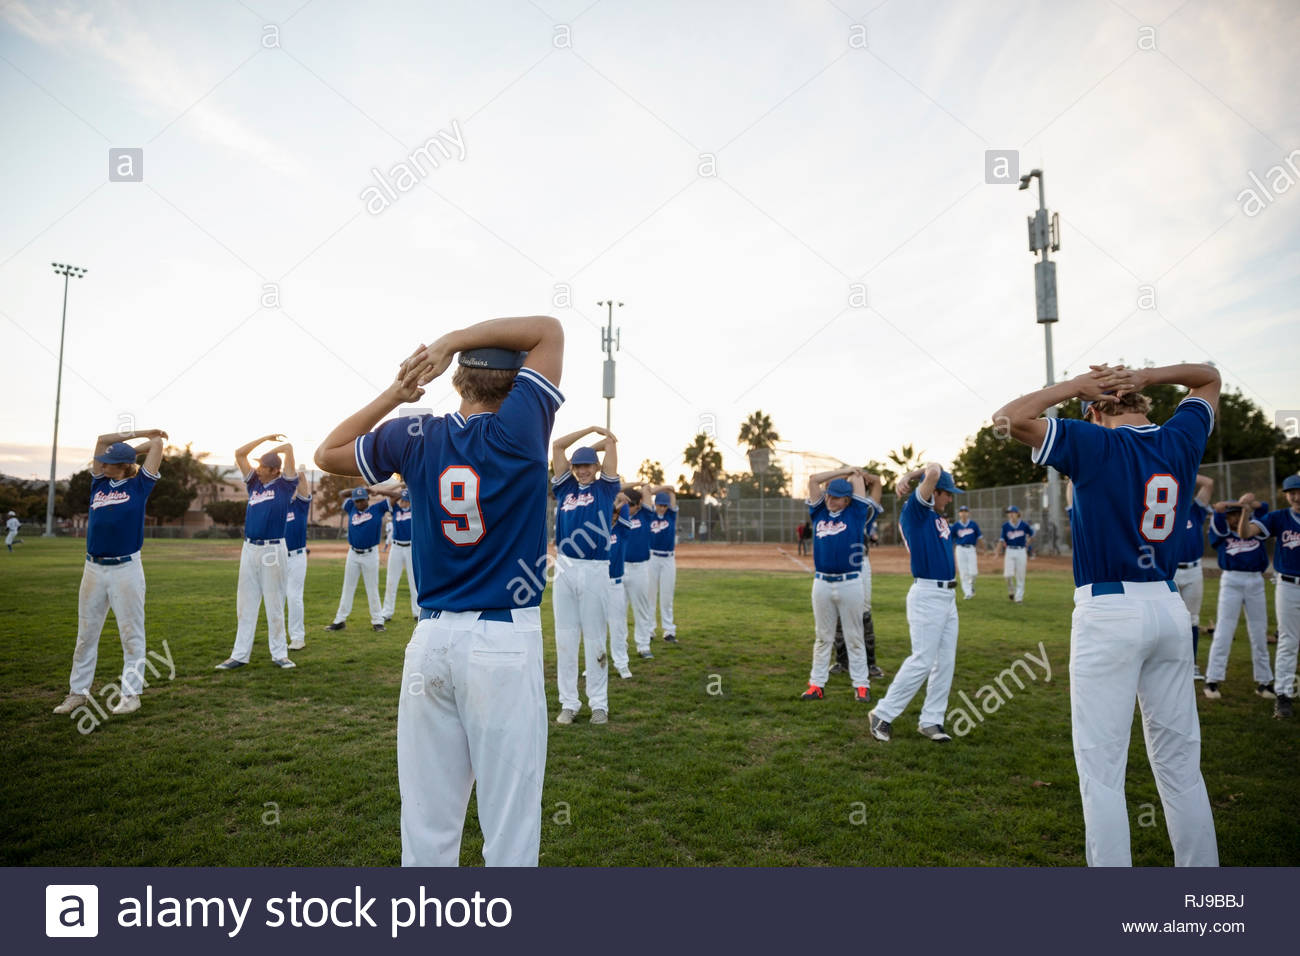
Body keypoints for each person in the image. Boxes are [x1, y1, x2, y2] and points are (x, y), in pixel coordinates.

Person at [313, 314, 564, 867]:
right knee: (510, 830)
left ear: (458, 382)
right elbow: (549, 328)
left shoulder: (415, 434)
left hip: (430, 644)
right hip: (502, 641)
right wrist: (455, 339)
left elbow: (328, 454)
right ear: (520, 384)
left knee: (427, 828)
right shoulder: (523, 430)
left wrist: (397, 392)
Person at [997, 361, 1220, 866]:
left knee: (1102, 771)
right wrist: (1148, 375)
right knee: (1181, 766)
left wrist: (1075, 385)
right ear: (1141, 401)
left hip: (1109, 610)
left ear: (1096, 410)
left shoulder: (1094, 442)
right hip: (1167, 604)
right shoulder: (1179, 438)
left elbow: (1008, 418)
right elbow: (1208, 376)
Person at [53, 429, 167, 717]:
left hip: (126, 569)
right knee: (86, 634)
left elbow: (157, 444)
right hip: (93, 568)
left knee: (131, 635)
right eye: (102, 461)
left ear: (123, 465)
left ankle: (131, 695)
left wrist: (133, 452)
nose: (101, 463)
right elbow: (103, 439)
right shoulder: (99, 483)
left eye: (108, 461)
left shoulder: (140, 485)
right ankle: (78, 693)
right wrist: (136, 437)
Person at [868, 463, 962, 743]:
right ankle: (882, 714)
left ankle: (931, 720)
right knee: (922, 659)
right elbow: (933, 470)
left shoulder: (937, 517)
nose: (950, 498)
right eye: (946, 493)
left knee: (944, 662)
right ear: (934, 492)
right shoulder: (916, 510)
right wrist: (910, 476)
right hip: (927, 595)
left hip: (947, 596)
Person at [551, 426, 621, 725]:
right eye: (578, 465)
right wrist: (589, 431)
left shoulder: (605, 488)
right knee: (565, 639)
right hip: (565, 566)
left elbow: (612, 443)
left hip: (594, 568)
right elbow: (557, 446)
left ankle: (599, 704)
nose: (581, 470)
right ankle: (568, 703)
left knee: (594, 639)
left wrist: (599, 445)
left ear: (596, 467)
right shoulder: (564, 488)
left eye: (587, 465)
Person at [216, 436, 299, 671]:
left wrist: (278, 448)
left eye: (263, 466)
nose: (258, 469)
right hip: (249, 548)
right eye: (259, 465)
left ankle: (280, 654)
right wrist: (264, 440)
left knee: (274, 603)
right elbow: (239, 453)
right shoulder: (254, 484)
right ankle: (240, 655)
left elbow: (289, 449)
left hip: (273, 549)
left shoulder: (285, 485)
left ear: (275, 470)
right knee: (245, 603)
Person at [801, 468, 876, 703]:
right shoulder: (819, 512)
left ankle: (861, 685)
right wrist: (844, 471)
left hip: (850, 583)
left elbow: (857, 480)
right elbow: (813, 480)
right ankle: (816, 684)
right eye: (829, 495)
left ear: (847, 500)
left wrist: (853, 474)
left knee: (854, 636)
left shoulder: (855, 512)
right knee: (822, 637)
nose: (831, 500)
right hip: (822, 583)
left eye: (837, 497)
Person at [1237, 476, 1300, 718]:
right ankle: (1283, 695)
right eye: (1290, 492)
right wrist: (1244, 510)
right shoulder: (1279, 518)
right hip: (1288, 586)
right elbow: (1245, 533)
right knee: (1288, 640)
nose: (1295, 496)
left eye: (1298, 491)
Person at [1202, 497, 1274, 700]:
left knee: (1259, 632)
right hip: (1232, 581)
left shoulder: (1255, 531)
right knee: (1224, 631)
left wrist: (1248, 504)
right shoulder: (1222, 535)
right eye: (1231, 515)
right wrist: (1222, 508)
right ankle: (1212, 680)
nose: (1234, 518)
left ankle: (1264, 682)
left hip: (1255, 582)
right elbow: (1217, 514)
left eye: (1237, 514)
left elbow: (1264, 509)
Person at [324, 486, 392, 632]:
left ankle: (378, 622)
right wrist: (361, 489)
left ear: (368, 499)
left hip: (370, 554)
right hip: (353, 554)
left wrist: (378, 491)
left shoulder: (377, 509)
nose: (359, 503)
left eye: (362, 500)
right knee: (347, 588)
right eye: (357, 500)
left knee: (372, 588)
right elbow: (342, 492)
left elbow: (397, 496)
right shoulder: (351, 507)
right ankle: (340, 620)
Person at [1173, 475, 1213, 680]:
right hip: (1169, 571)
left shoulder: (1194, 510)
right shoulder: (1163, 508)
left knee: (1192, 619)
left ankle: (1192, 664)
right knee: (1170, 620)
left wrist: (1181, 467)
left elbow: (1208, 483)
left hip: (1194, 570)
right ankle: (1171, 665)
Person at [620, 486, 655, 658]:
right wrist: (629, 489)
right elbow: (614, 489)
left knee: (641, 609)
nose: (628, 506)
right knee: (619, 611)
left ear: (638, 504)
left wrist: (641, 488)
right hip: (619, 568)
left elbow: (648, 491)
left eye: (632, 504)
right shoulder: (617, 516)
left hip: (639, 568)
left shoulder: (645, 515)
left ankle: (643, 646)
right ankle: (621, 646)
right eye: (626, 503)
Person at [606, 492, 634, 680]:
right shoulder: (596, 531)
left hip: (615, 584)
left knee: (617, 626)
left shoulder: (622, 531)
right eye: (611, 513)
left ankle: (621, 663)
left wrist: (620, 498)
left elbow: (624, 507)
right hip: (596, 585)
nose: (613, 515)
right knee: (594, 629)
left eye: (615, 513)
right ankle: (595, 663)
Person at [646, 484, 679, 644]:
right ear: (655, 504)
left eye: (665, 505)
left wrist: (666, 489)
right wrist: (658, 491)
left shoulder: (671, 516)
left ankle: (669, 631)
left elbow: (672, 494)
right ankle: (649, 630)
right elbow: (647, 495)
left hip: (668, 559)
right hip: (652, 558)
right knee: (650, 595)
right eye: (660, 504)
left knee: (667, 596)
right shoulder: (650, 514)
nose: (662, 508)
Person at [380, 486, 419, 623]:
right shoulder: (395, 509)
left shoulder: (414, 509)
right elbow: (388, 494)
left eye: (406, 500)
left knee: (414, 581)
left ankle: (417, 612)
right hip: (396, 547)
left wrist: (407, 491)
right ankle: (387, 612)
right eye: (402, 500)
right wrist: (399, 488)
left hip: (410, 547)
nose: (404, 502)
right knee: (391, 581)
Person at [284, 466, 312, 651]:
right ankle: (277, 639)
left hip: (296, 557)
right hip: (277, 556)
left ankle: (297, 637)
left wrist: (298, 473)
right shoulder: (277, 506)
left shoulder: (299, 506)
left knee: (293, 597)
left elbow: (303, 487)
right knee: (276, 599)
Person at [997, 505, 1034, 602]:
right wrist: (997, 552)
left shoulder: (1024, 525)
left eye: (1012, 512)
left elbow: (1031, 535)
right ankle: (1011, 590)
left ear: (1018, 514)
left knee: (1020, 575)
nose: (1011, 515)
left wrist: (1027, 544)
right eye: (1009, 513)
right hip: (1009, 550)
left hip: (1021, 551)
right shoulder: (1005, 526)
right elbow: (1001, 540)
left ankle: (1019, 598)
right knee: (1007, 575)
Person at [952, 504, 982, 599]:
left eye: (965, 511)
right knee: (963, 571)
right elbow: (951, 539)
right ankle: (968, 592)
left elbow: (980, 538)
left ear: (968, 513)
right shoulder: (956, 525)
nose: (963, 513)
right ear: (959, 514)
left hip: (971, 548)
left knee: (974, 572)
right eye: (962, 512)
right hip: (960, 549)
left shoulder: (973, 524)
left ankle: (971, 586)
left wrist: (984, 549)